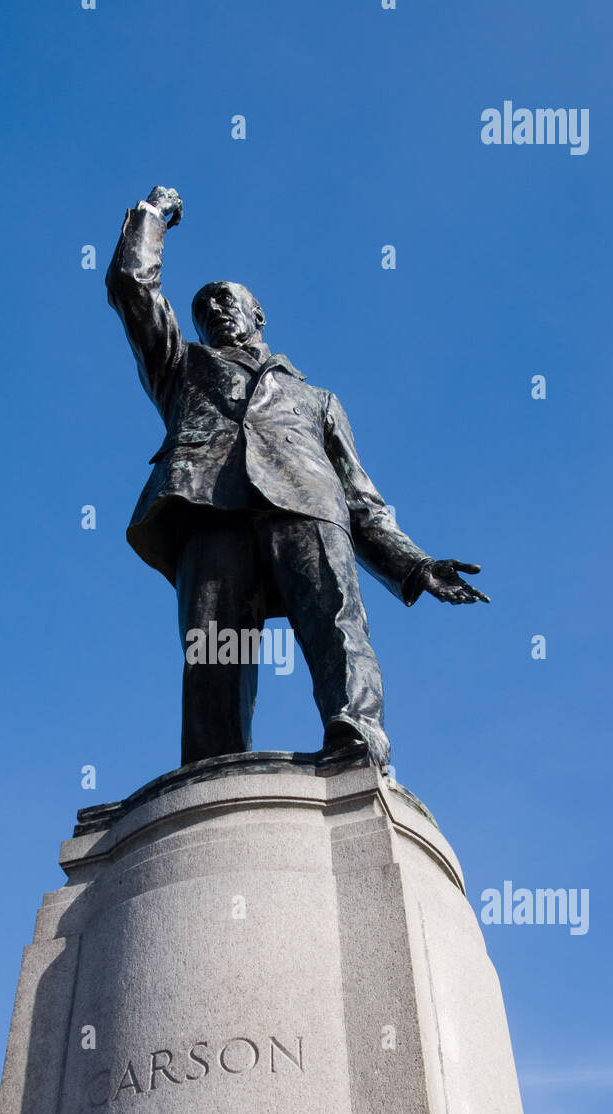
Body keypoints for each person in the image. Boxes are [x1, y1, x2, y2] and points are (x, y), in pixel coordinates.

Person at [106, 186, 489, 768]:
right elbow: (131, 288)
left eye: (226, 300)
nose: (213, 310)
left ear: (258, 314)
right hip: (211, 503)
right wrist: (152, 217)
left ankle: (356, 732)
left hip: (309, 505)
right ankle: (210, 773)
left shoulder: (317, 399)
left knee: (336, 621)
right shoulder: (180, 366)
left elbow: (364, 502)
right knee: (214, 650)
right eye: (202, 309)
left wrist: (413, 564)